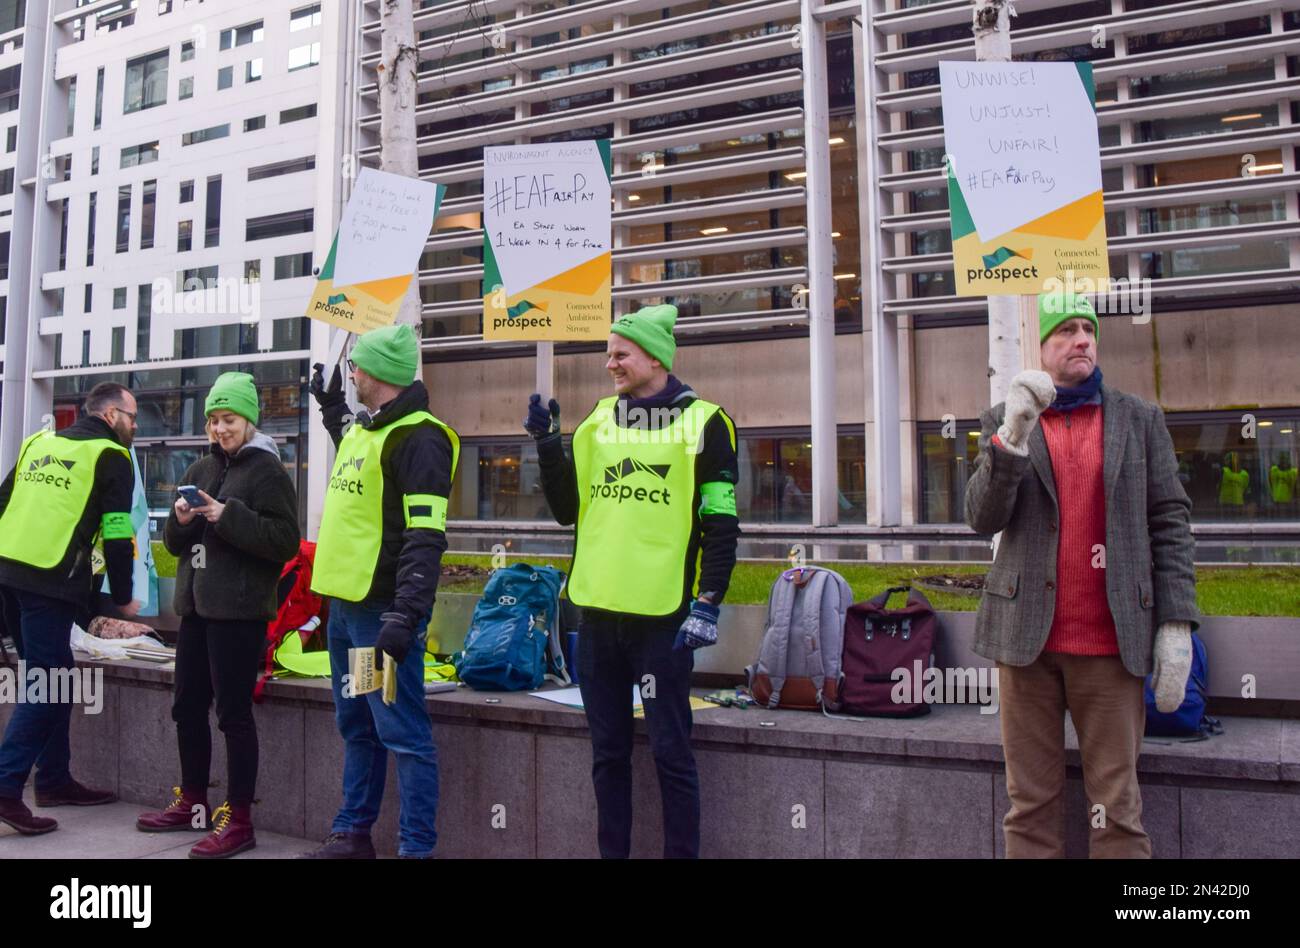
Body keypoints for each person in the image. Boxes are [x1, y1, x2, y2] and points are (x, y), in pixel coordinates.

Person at [965, 292, 1199, 858]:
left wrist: (1175, 625)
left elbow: (1170, 520)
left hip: (1110, 645)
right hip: (1027, 643)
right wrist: (1013, 439)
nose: (1082, 341)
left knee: (1117, 811)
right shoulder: (1004, 420)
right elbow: (982, 517)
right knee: (1030, 807)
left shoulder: (1139, 419)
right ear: (1041, 348)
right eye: (1066, 331)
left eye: (1088, 330)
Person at [527, 303, 740, 859]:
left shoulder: (706, 423)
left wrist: (709, 601)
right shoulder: (598, 419)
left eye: (620, 354)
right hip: (597, 618)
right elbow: (568, 510)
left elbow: (721, 524)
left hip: (664, 622)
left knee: (671, 753)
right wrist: (549, 450)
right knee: (607, 754)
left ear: (654, 357)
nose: (610, 364)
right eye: (609, 354)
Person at [301, 324, 459, 859]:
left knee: (403, 732)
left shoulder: (422, 437)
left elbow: (425, 534)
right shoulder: (369, 429)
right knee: (358, 723)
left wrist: (406, 612)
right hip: (348, 612)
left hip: (383, 615)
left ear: (377, 373)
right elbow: (354, 449)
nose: (351, 373)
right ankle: (352, 832)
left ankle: (416, 849)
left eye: (355, 367)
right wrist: (328, 405)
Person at [136, 372, 299, 858]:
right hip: (196, 609)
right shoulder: (204, 467)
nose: (219, 429)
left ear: (249, 420)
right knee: (186, 706)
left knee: (232, 714)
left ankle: (240, 819)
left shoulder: (269, 472)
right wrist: (182, 523)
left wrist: (227, 515)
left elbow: (283, 542)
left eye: (228, 419)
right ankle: (192, 802)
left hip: (239, 613)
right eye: (212, 420)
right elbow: (177, 546)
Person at [0, 382, 140, 835]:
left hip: (9, 575)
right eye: (133, 417)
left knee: (50, 673)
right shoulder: (112, 456)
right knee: (51, 679)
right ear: (111, 414)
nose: (135, 427)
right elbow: (118, 531)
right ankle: (5, 788)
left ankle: (55, 778)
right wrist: (122, 595)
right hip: (48, 580)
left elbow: (3, 503)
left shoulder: (38, 443)